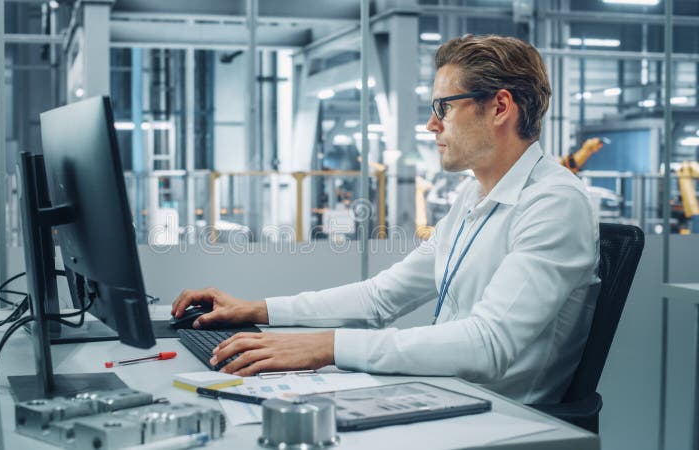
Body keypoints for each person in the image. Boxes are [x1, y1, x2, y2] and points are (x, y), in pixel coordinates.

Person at [171, 34, 599, 404]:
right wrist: (256, 310)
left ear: (500, 107)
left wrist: (326, 347)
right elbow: (381, 297)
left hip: (503, 417)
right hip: (446, 395)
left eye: (443, 107)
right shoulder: (475, 196)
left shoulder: (554, 203)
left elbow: (489, 344)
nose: (432, 125)